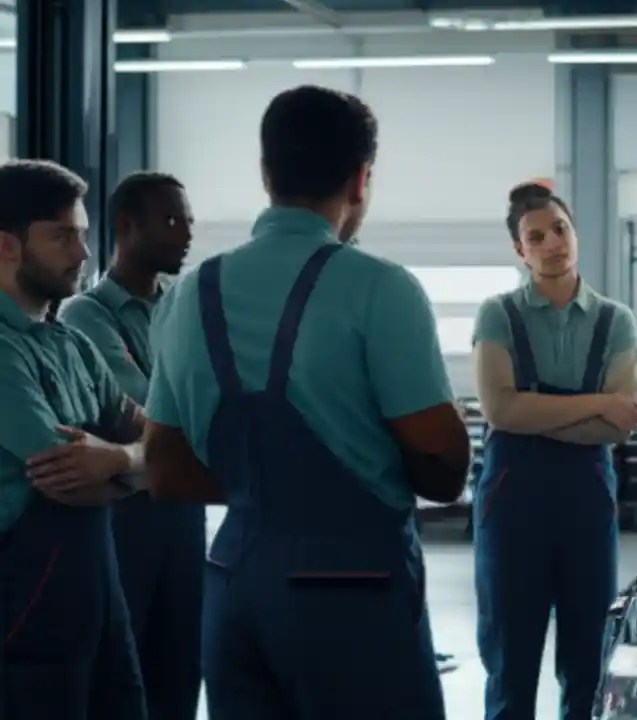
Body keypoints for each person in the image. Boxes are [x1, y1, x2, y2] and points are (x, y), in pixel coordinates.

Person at [141, 84, 472, 719]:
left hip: (236, 585)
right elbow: (443, 468)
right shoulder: (379, 288)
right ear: (360, 179)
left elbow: (163, 468)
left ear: (266, 174)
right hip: (353, 590)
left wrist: (265, 491)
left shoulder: (189, 295)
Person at [471, 181, 637, 720]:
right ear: (520, 251)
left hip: (586, 501)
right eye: (536, 236)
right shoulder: (497, 314)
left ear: (576, 233)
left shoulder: (616, 320)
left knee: (588, 655)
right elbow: (500, 412)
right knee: (510, 657)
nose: (552, 243)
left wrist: (534, 411)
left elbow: (621, 424)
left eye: (560, 229)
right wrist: (595, 404)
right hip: (510, 500)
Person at [0, 159, 149, 718]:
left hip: (98, 598)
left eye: (83, 235)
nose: (84, 254)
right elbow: (64, 478)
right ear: (6, 246)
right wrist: (150, 465)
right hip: (25, 604)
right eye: (63, 236)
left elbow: (150, 432)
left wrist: (117, 458)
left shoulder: (71, 343)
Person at [58, 171, 204, 720]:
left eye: (188, 221)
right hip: (128, 515)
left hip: (184, 511)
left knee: (182, 666)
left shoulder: (185, 305)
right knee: (127, 672)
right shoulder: (85, 316)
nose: (185, 234)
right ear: (125, 227)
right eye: (170, 220)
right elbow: (149, 417)